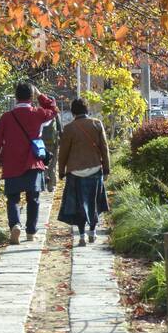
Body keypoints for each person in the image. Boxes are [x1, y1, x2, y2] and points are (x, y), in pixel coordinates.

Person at [0, 82, 58, 243]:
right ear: (31, 97)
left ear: (15, 97)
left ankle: (15, 225)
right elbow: (54, 110)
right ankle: (31, 232)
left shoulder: (6, 117)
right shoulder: (38, 113)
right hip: (32, 163)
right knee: (33, 199)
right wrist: (41, 95)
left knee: (12, 198)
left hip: (11, 163)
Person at [57, 98, 110, 246]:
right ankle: (92, 232)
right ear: (87, 110)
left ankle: (81, 236)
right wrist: (106, 168)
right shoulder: (96, 124)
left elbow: (63, 153)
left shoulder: (68, 129)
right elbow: (104, 149)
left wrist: (61, 171)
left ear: (73, 112)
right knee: (94, 203)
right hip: (94, 169)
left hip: (75, 173)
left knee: (79, 206)